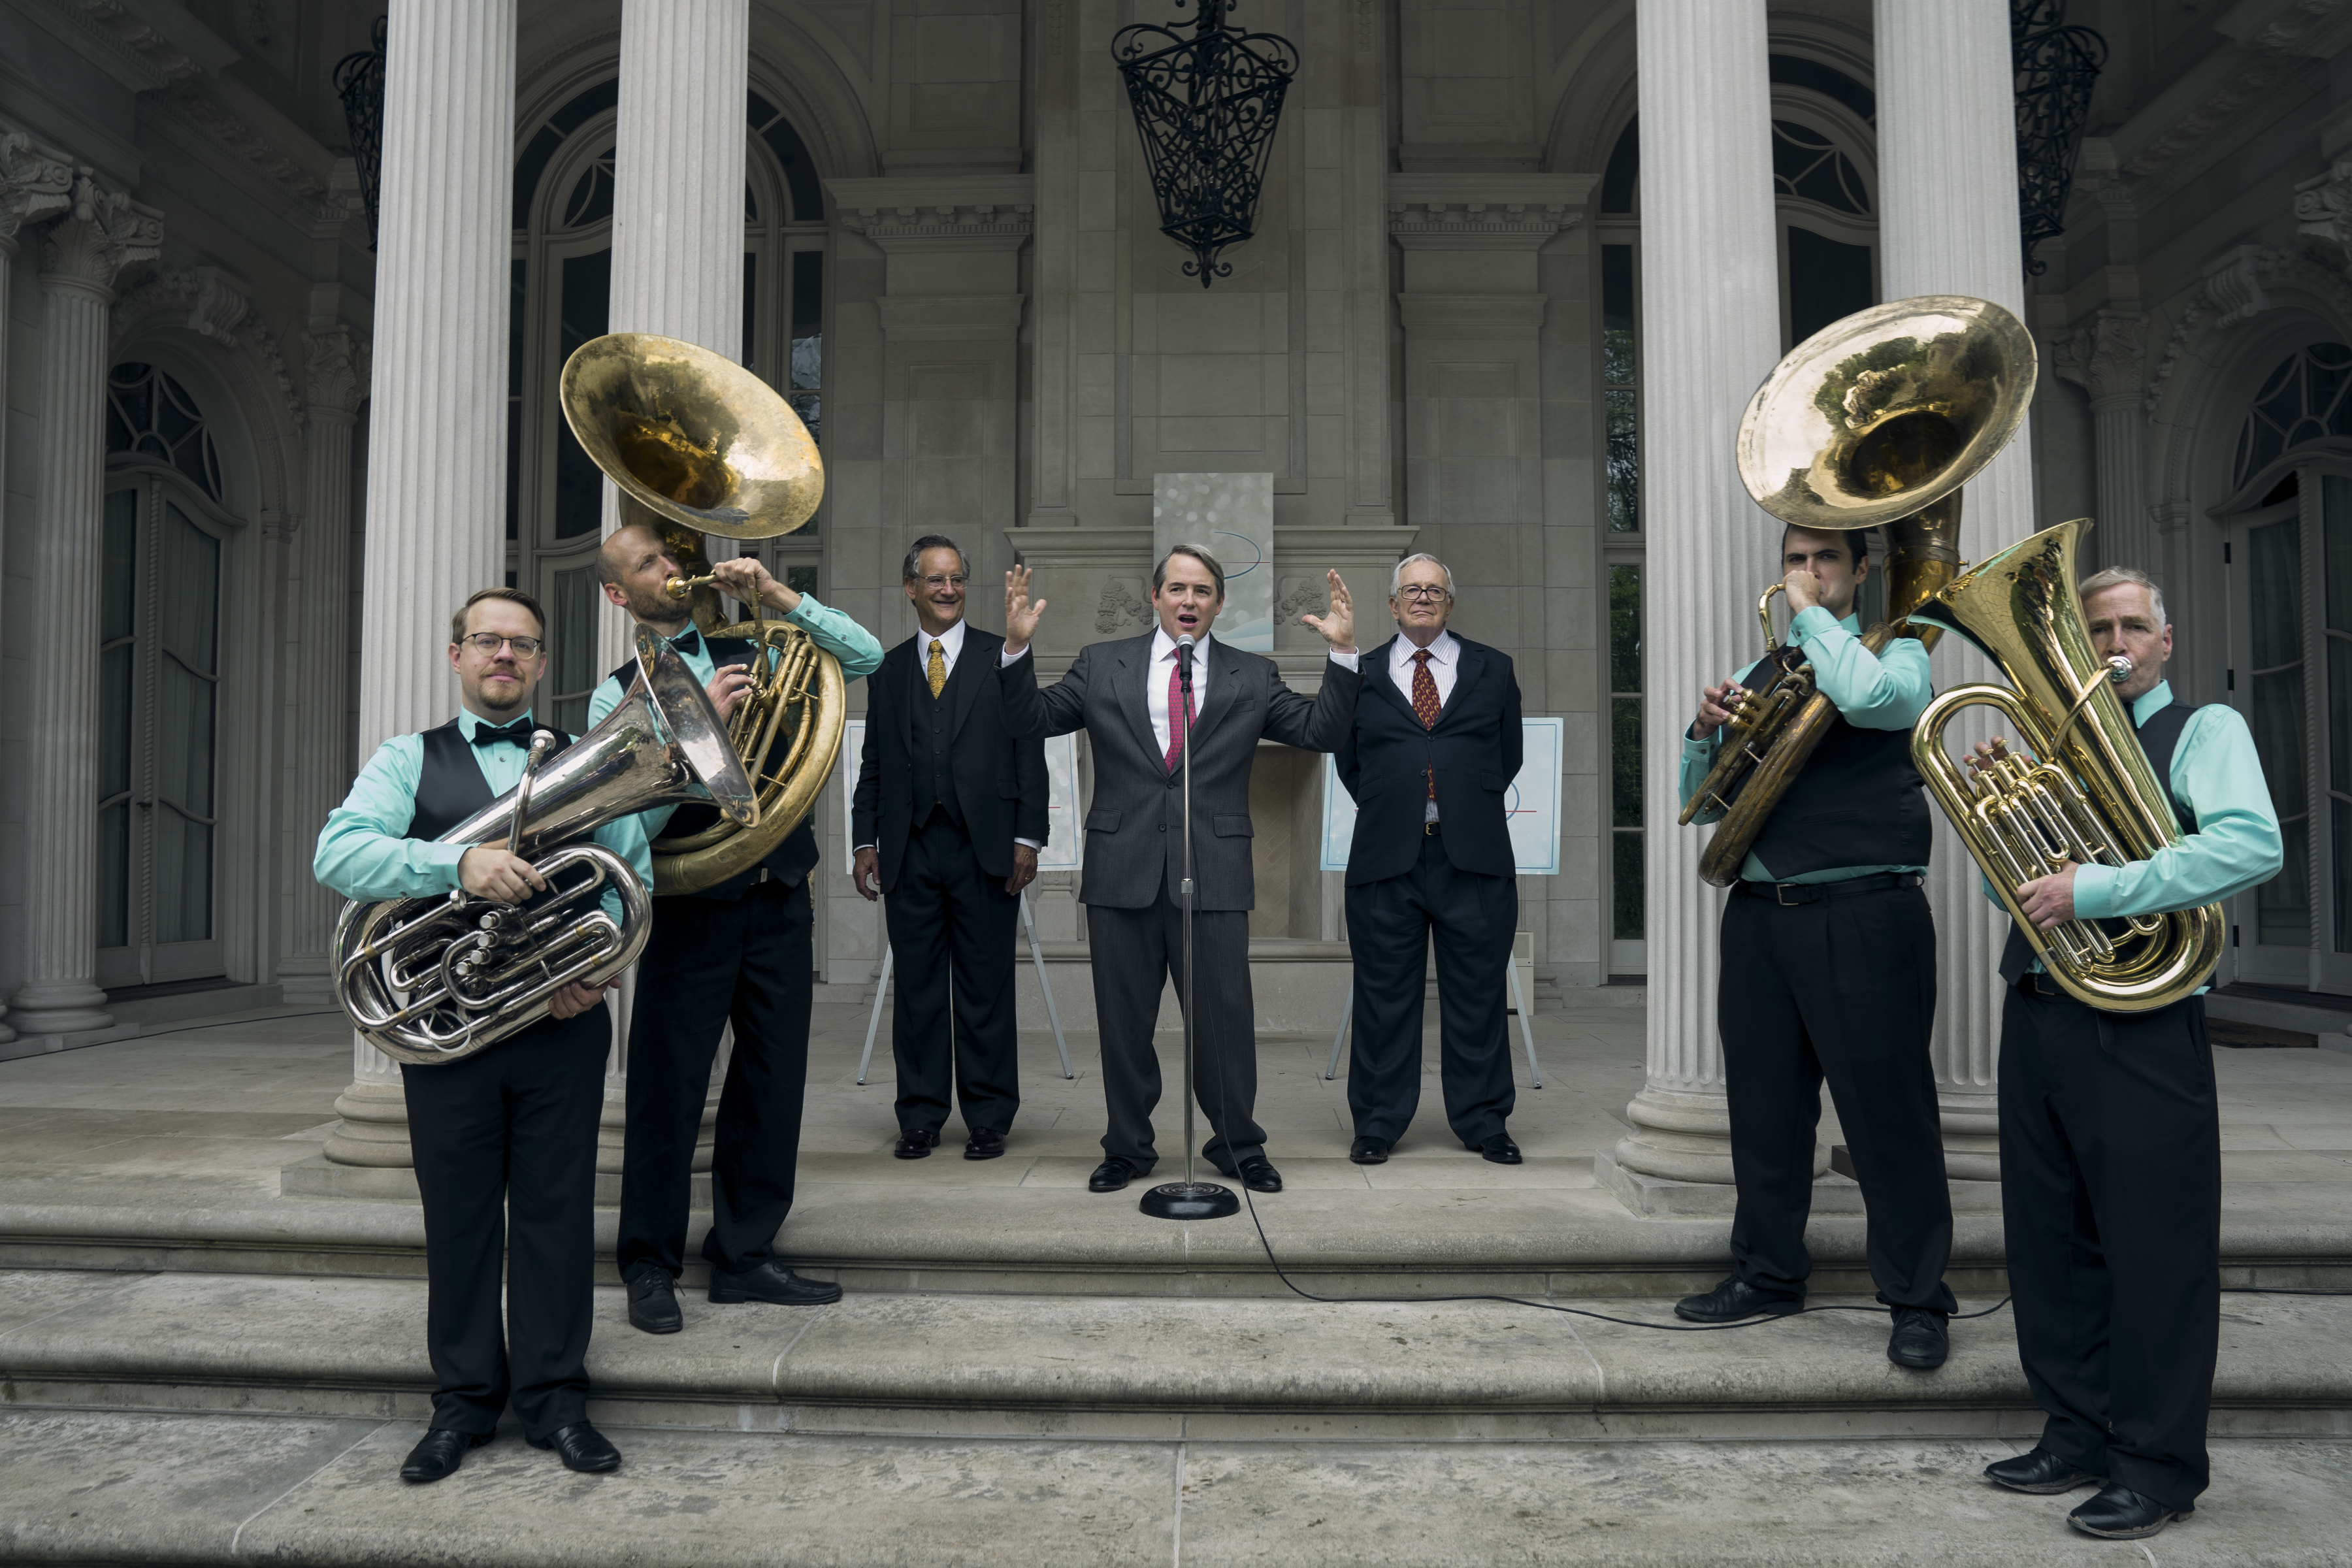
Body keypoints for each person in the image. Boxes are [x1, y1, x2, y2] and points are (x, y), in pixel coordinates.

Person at [1971, 566, 2280, 1543]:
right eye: (2097, 626)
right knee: (2050, 1239)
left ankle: (2156, 1465)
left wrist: (2094, 890)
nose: (2114, 643)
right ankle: (2075, 1432)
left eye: (2132, 626)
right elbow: (2018, 894)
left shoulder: (2206, 730)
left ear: (2165, 640)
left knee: (2156, 1251)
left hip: (2143, 1017)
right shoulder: (2054, 744)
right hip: (2043, 1005)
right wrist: (2011, 831)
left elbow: (2250, 844)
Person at [315, 587, 646, 1483]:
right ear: (456, 655)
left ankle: (557, 1402)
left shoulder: (592, 760)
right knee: (458, 1221)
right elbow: (338, 853)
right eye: (488, 641)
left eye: (523, 645)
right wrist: (452, 861)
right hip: (450, 1032)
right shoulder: (404, 760)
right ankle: (462, 1405)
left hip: (560, 1026)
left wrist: (592, 968)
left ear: (541, 664)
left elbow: (628, 877)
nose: (505, 657)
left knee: (556, 1216)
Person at [1674, 524, 1958, 1372]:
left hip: (1865, 912)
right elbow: (1707, 803)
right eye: (1795, 560)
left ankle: (1917, 1298)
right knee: (1765, 1112)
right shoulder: (1768, 671)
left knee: (1888, 1119)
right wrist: (1703, 730)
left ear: (1861, 571)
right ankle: (1767, 1272)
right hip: (1763, 914)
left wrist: (1812, 621)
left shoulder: (1901, 652)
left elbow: (1872, 702)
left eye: (1825, 559)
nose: (1806, 574)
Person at [589, 521, 883, 1335]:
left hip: (779, 896)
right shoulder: (618, 689)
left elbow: (866, 659)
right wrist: (690, 741)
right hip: (689, 907)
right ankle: (649, 1262)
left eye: (668, 555)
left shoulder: (762, 645)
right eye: (647, 563)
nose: (669, 568)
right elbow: (614, 822)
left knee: (771, 1084)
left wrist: (778, 596)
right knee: (667, 1088)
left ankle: (745, 1254)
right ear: (620, 595)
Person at [997, 546, 1360, 1194]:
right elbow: (1029, 719)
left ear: (1220, 604)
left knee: (1224, 1022)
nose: (1188, 601)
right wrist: (1018, 652)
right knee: (1124, 1023)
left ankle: (1238, 1146)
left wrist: (1343, 657)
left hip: (1214, 871)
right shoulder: (1100, 664)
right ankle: (1128, 1148)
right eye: (1176, 589)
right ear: (1156, 596)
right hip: (1121, 869)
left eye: (1201, 591)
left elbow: (1321, 732)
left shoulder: (1252, 674)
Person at [851, 535, 1050, 1160]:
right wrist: (864, 840)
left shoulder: (1005, 656)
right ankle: (920, 1116)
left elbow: (1030, 751)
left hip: (987, 849)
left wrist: (1028, 836)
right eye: (935, 579)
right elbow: (874, 762)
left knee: (985, 987)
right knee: (917, 992)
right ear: (910, 588)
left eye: (958, 579)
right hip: (910, 851)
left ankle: (989, 1117)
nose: (948, 589)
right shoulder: (886, 669)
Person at [1334, 553, 1526, 1166]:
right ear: (1392, 605)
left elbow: (1508, 754)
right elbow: (1349, 762)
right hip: (1386, 858)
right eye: (1410, 591)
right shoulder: (1359, 673)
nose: (1422, 598)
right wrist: (1400, 801)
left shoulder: (1493, 669)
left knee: (1478, 996)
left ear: (1450, 603)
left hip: (1472, 857)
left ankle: (1484, 1120)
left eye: (1434, 591)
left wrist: (1461, 800)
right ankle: (1378, 1123)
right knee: (1384, 997)